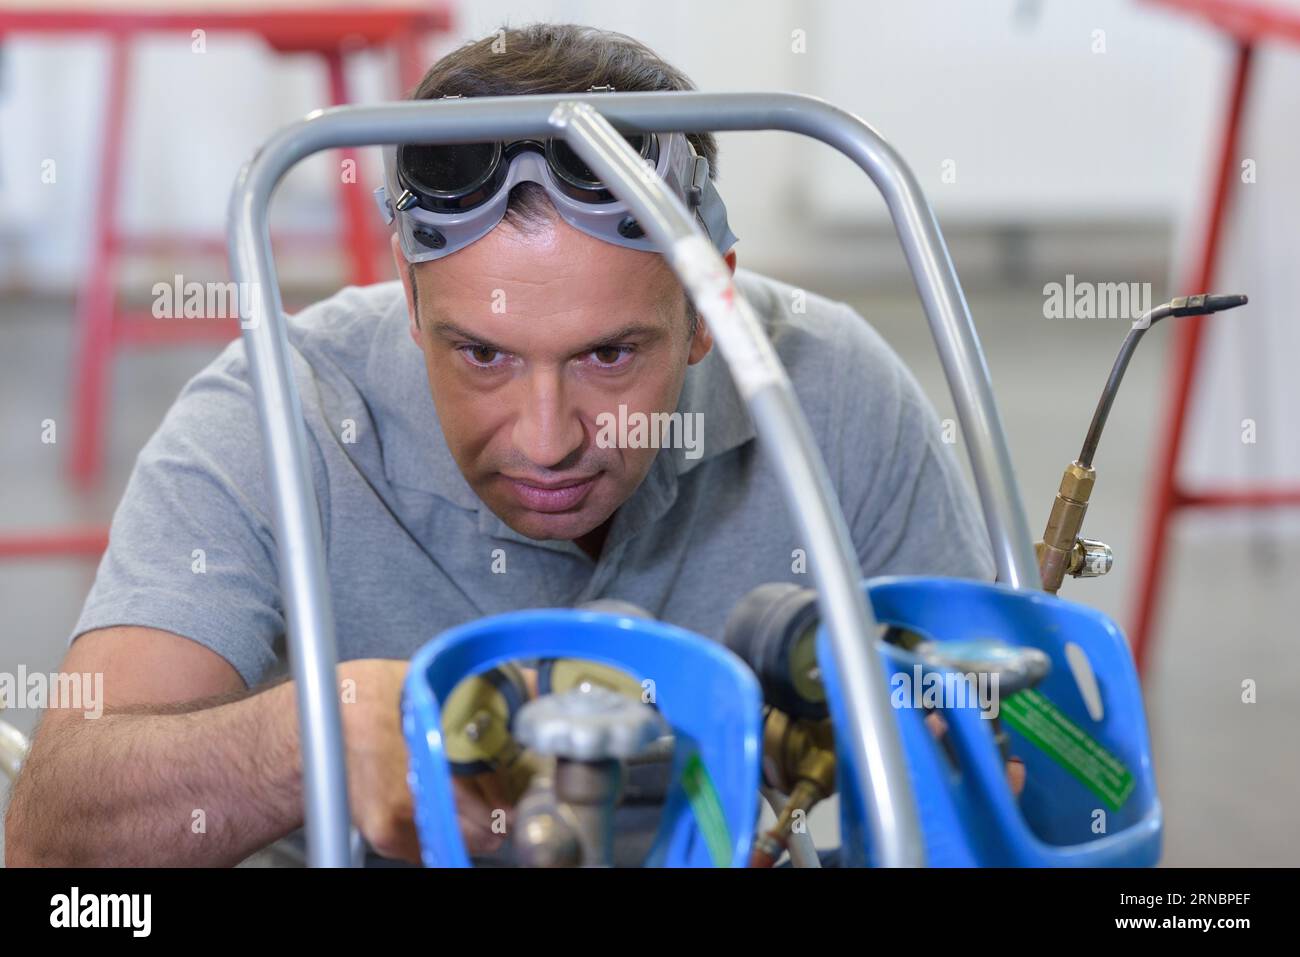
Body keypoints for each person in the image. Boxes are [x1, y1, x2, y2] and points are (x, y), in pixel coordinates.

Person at [4, 23, 994, 867]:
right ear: (410, 298)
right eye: (480, 353)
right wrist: (307, 741)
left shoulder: (827, 392)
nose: (546, 438)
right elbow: (49, 836)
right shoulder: (278, 412)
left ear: (707, 308)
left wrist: (974, 763)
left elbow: (998, 761)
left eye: (610, 355)